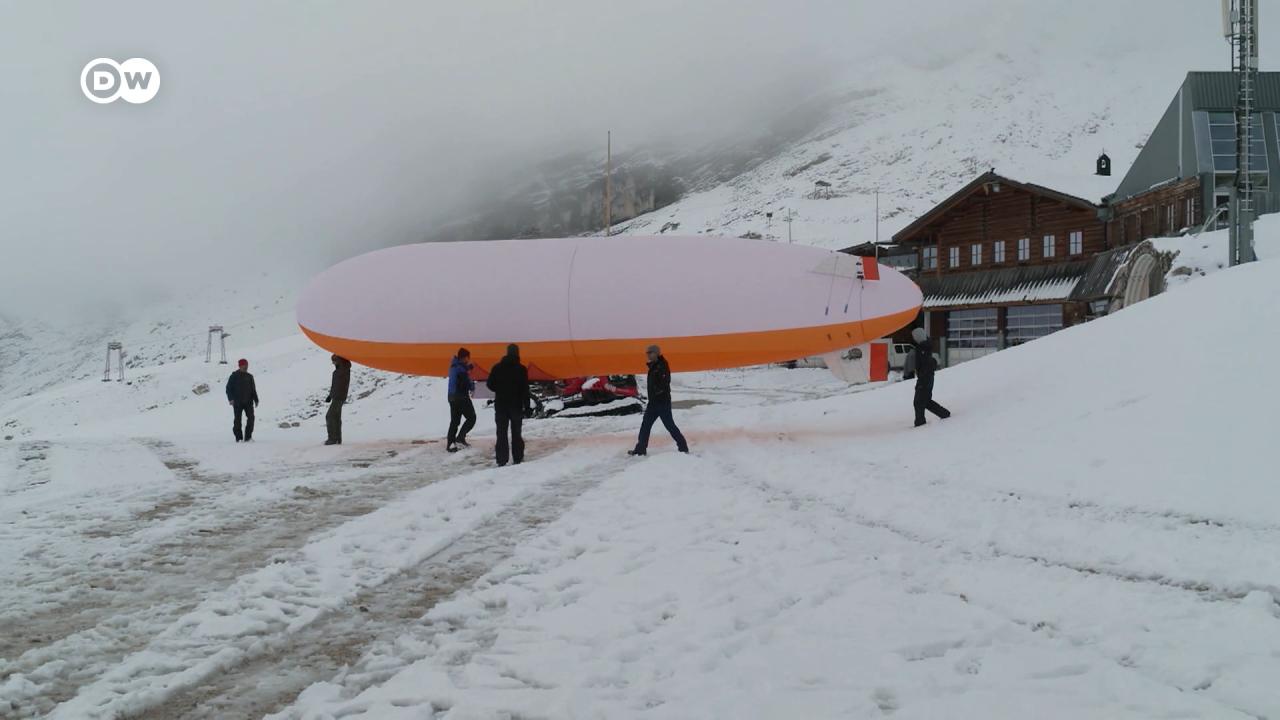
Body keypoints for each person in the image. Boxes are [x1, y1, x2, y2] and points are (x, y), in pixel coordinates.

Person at [629, 345, 689, 456]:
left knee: (669, 425)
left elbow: (665, 382)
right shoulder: (653, 366)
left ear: (656, 353)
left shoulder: (662, 366)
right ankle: (640, 449)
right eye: (647, 353)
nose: (648, 354)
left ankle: (683, 447)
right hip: (653, 403)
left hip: (662, 402)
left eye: (650, 352)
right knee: (645, 424)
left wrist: (657, 392)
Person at [485, 344, 530, 466]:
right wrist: (527, 406)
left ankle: (501, 459)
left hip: (501, 405)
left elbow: (489, 384)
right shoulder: (521, 369)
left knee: (501, 433)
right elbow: (525, 390)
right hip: (516, 405)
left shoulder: (497, 367)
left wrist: (499, 389)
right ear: (517, 354)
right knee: (516, 432)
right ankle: (517, 458)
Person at [903, 327, 951, 427]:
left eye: (914, 337)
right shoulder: (925, 347)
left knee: (918, 403)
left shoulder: (922, 349)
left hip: (924, 379)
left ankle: (920, 424)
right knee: (926, 402)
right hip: (927, 378)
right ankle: (945, 414)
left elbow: (927, 363)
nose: (914, 339)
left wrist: (918, 376)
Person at [446, 348, 476, 452]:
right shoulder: (461, 369)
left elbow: (460, 372)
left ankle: (450, 443)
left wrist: (468, 368)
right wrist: (472, 386)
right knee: (472, 418)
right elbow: (465, 383)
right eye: (468, 358)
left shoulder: (454, 366)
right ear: (465, 357)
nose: (469, 360)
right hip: (461, 397)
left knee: (454, 421)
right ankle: (460, 438)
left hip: (452, 397)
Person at [225, 358, 259, 442]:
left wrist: (256, 399)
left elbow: (253, 389)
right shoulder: (234, 376)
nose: (246, 367)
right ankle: (238, 438)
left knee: (251, 418)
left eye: (246, 365)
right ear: (240, 366)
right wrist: (231, 399)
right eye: (244, 365)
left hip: (248, 402)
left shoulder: (250, 376)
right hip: (237, 402)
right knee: (237, 421)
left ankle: (248, 437)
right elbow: (228, 388)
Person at [324, 355, 351, 446]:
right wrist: (330, 396)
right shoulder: (338, 371)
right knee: (336, 417)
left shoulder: (344, 370)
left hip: (339, 397)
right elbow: (335, 385)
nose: (333, 363)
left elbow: (340, 386)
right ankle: (337, 439)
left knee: (330, 416)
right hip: (336, 396)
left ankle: (332, 439)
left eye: (334, 361)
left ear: (339, 361)